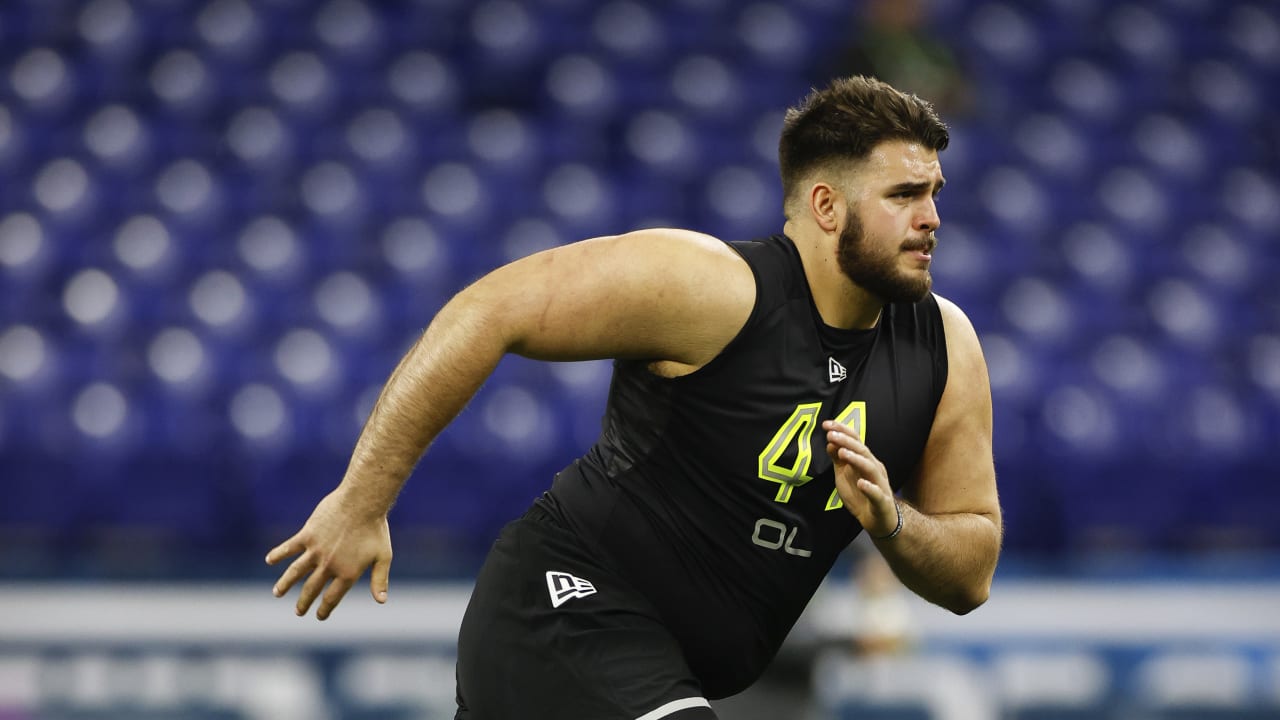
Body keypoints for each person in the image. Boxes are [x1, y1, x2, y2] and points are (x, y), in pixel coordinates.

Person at [266, 75, 1002, 720]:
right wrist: (363, 500)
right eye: (904, 195)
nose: (931, 217)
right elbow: (487, 311)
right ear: (826, 205)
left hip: (663, 672)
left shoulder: (945, 347)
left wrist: (893, 521)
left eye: (934, 193)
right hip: (564, 611)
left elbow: (971, 574)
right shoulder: (710, 288)